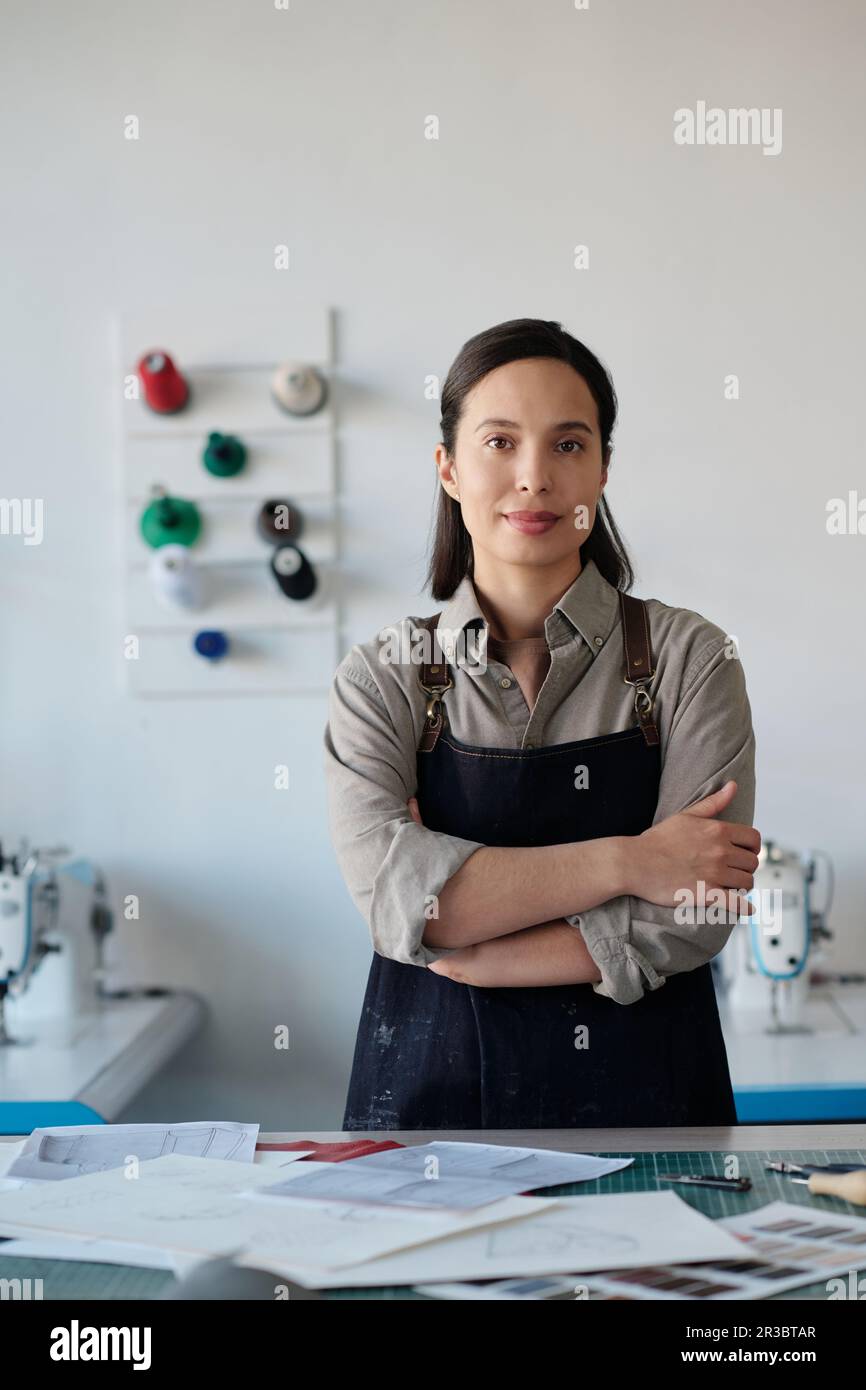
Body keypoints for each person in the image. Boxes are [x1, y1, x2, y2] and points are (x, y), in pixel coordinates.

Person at [324, 317, 760, 1130]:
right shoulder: (380, 675)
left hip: (655, 1118)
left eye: (568, 445)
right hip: (429, 1125)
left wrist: (477, 951)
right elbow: (401, 902)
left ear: (601, 469)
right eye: (499, 442)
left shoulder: (690, 658)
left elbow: (695, 909)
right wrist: (633, 861)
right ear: (449, 468)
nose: (534, 478)